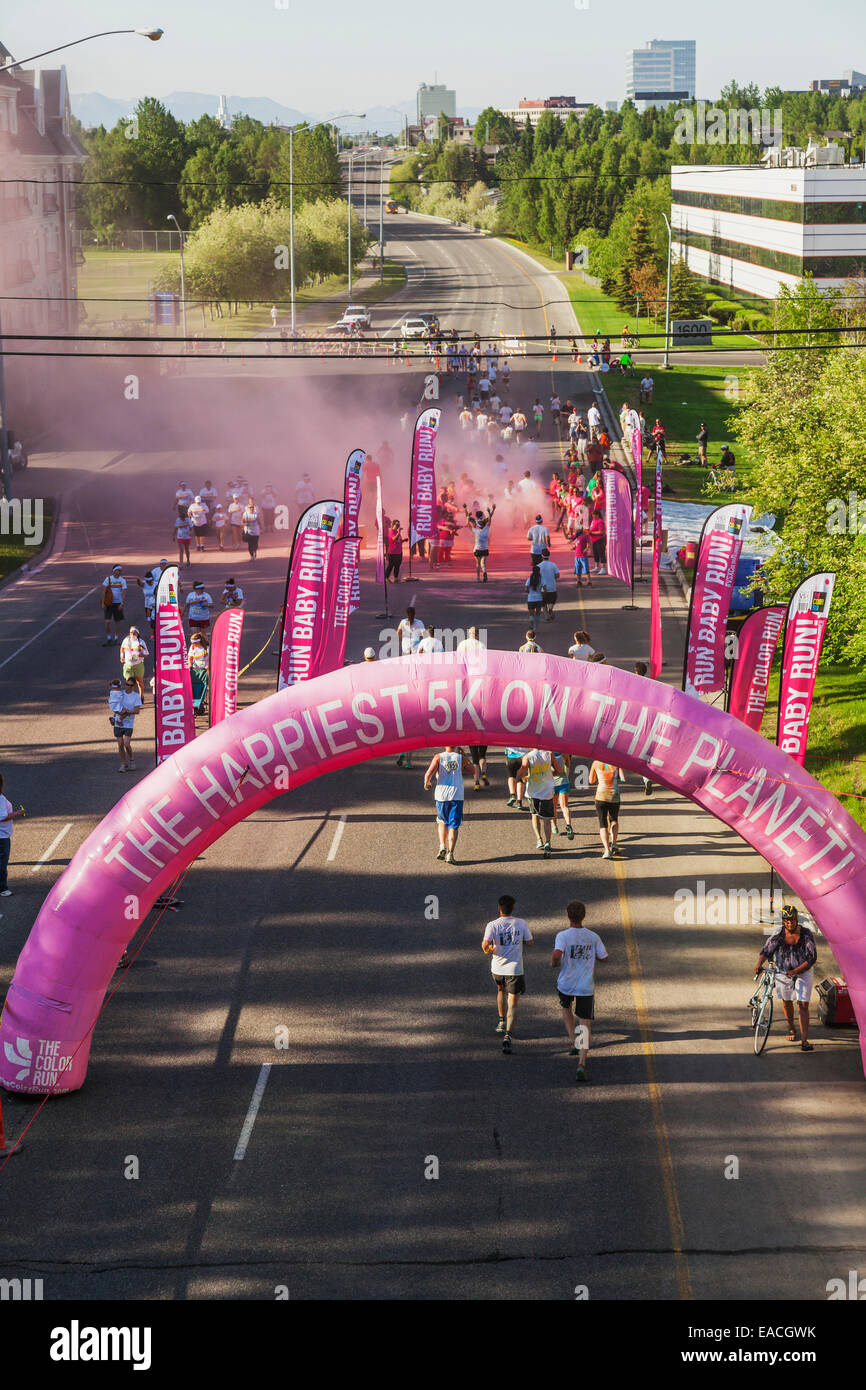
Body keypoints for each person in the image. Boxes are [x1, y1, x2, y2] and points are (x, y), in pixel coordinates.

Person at [551, 900, 608, 1082]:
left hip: (566, 983)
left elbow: (557, 954)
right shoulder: (593, 937)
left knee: (565, 1008)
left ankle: (571, 1039)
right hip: (586, 986)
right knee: (585, 1024)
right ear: (583, 916)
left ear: (568, 916)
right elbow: (604, 957)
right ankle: (582, 1063)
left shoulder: (563, 936)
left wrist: (554, 963)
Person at [755, 905, 818, 1051]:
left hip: (803, 972)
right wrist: (759, 964)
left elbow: (812, 958)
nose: (790, 923)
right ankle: (791, 1027)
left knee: (803, 1004)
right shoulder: (779, 933)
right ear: (784, 921)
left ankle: (804, 1040)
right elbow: (766, 950)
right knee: (787, 1001)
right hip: (783, 972)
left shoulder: (806, 934)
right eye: (787, 921)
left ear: (797, 920)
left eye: (792, 920)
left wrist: (796, 970)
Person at [482, 894, 534, 1053]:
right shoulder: (521, 923)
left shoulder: (492, 925)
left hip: (497, 969)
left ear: (499, 909)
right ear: (513, 909)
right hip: (514, 970)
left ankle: (501, 1020)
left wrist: (489, 948)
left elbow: (485, 945)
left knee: (500, 990)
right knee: (513, 1002)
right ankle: (508, 1036)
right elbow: (530, 942)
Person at [423, 746, 474, 865]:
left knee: (442, 821)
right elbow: (473, 771)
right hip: (456, 795)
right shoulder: (461, 758)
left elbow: (428, 773)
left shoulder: (438, 757)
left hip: (441, 795)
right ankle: (450, 853)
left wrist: (427, 782)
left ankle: (442, 846)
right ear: (456, 746)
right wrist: (465, 755)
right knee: (453, 826)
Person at [519, 748, 564, 858]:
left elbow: (521, 773)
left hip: (533, 792)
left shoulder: (528, 756)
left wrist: (524, 777)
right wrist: (548, 773)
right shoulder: (550, 754)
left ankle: (539, 840)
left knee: (535, 816)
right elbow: (559, 771)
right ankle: (548, 842)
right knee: (547, 820)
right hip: (547, 791)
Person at [589, 760, 626, 858]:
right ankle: (614, 844)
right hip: (614, 796)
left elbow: (591, 780)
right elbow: (623, 778)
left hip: (601, 796)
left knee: (603, 822)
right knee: (614, 820)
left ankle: (607, 849)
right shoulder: (616, 762)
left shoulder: (596, 763)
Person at [0, 772, 25, 897]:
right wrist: (17, 813)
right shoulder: (0, 798)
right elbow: (2, 816)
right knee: (2, 864)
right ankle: (2, 888)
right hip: (2, 836)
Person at [110, 675, 142, 772]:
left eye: (130, 685)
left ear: (134, 686)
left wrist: (126, 712)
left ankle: (131, 760)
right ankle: (124, 764)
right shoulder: (120, 693)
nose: (128, 686)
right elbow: (115, 705)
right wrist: (116, 716)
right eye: (127, 684)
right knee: (120, 744)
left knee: (127, 744)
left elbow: (137, 711)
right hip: (118, 722)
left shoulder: (136, 696)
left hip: (128, 723)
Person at [633, 662, 654, 795]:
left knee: (639, 752)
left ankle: (646, 778)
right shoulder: (651, 685)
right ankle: (649, 777)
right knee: (648, 752)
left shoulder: (633, 684)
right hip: (650, 720)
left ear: (636, 672)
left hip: (637, 721)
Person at [464, 503, 495, 582]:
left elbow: (467, 524)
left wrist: (465, 510)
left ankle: (478, 578)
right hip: (485, 548)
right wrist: (491, 511)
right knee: (483, 563)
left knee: (477, 564)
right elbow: (490, 519)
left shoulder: (475, 529)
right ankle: (484, 572)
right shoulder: (486, 528)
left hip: (477, 549)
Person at [101, 564, 130, 644]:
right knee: (107, 622)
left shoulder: (122, 580)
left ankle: (116, 638)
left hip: (118, 604)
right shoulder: (108, 579)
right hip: (109, 604)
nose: (120, 572)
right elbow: (103, 591)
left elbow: (124, 593)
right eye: (118, 570)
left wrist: (122, 603)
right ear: (114, 571)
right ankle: (109, 638)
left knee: (117, 622)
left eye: (121, 570)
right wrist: (103, 603)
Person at [120, 626, 148, 701]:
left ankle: (141, 696)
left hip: (138, 665)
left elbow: (146, 653)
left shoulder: (140, 642)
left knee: (140, 683)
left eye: (134, 633)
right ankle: (130, 699)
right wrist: (122, 656)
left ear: (137, 634)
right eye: (131, 633)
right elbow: (122, 648)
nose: (132, 634)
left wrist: (140, 655)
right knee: (129, 683)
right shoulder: (126, 640)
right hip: (128, 665)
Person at [552, 754, 574, 840]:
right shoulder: (564, 753)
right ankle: (568, 824)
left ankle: (554, 826)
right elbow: (568, 765)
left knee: (553, 806)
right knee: (565, 806)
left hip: (552, 783)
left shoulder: (548, 754)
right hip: (564, 782)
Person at [537, 549, 560, 622]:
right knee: (551, 600)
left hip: (542, 589)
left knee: (543, 602)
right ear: (549, 556)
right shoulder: (553, 564)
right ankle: (550, 609)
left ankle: (546, 615)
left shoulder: (538, 566)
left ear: (542, 556)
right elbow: (557, 575)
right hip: (552, 588)